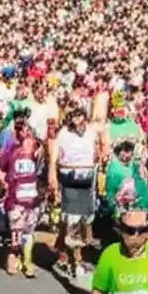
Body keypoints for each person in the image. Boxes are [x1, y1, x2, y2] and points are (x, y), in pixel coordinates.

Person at [49, 106, 102, 279]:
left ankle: (62, 252)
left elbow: (101, 143)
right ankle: (76, 261)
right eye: (73, 117)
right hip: (70, 177)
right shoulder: (63, 134)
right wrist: (52, 176)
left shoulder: (92, 132)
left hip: (87, 178)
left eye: (79, 116)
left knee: (83, 218)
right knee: (73, 218)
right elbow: (54, 157)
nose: (76, 120)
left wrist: (102, 156)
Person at [0, 111, 44, 277]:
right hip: (15, 197)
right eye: (20, 129)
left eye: (26, 129)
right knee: (16, 230)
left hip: (31, 197)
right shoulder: (11, 150)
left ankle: (28, 259)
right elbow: (0, 166)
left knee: (29, 231)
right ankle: (13, 255)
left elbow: (43, 156)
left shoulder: (37, 150)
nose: (24, 132)